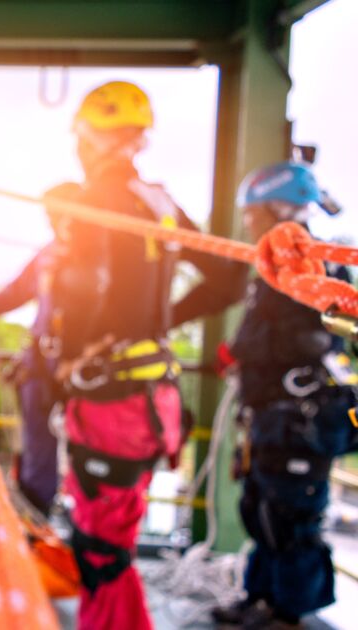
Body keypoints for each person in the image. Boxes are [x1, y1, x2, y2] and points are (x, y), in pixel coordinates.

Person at [45, 81, 247, 630]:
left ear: (86, 138)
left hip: (113, 404)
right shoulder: (158, 202)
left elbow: (83, 288)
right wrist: (156, 324)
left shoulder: (89, 203)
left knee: (99, 549)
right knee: (113, 540)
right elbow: (229, 281)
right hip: (153, 400)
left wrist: (79, 350)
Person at [211, 161, 357, 629]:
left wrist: (243, 350)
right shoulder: (276, 264)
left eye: (255, 215)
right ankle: (263, 598)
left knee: (291, 517)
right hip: (272, 416)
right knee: (261, 508)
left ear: (277, 210)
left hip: (299, 419)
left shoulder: (311, 264)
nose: (250, 224)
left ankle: (289, 613)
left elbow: (313, 337)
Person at [0, 211, 76, 515]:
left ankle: (61, 524)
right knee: (37, 447)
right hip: (43, 365)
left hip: (80, 367)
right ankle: (35, 515)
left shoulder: (102, 254)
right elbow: (16, 292)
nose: (55, 221)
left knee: (80, 453)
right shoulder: (50, 255)